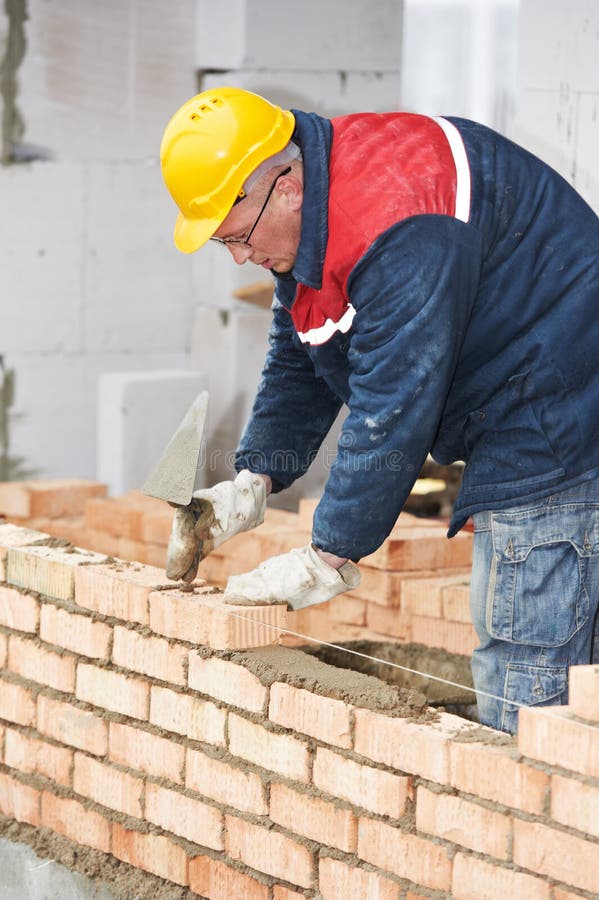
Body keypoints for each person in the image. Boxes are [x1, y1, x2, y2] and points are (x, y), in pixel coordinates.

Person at [159, 86, 599, 733]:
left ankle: (531, 818)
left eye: (237, 236)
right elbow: (303, 347)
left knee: (523, 673)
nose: (239, 257)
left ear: (282, 184)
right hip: (527, 390)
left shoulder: (398, 224)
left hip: (560, 406)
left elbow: (392, 406)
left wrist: (329, 553)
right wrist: (254, 479)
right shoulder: (319, 198)